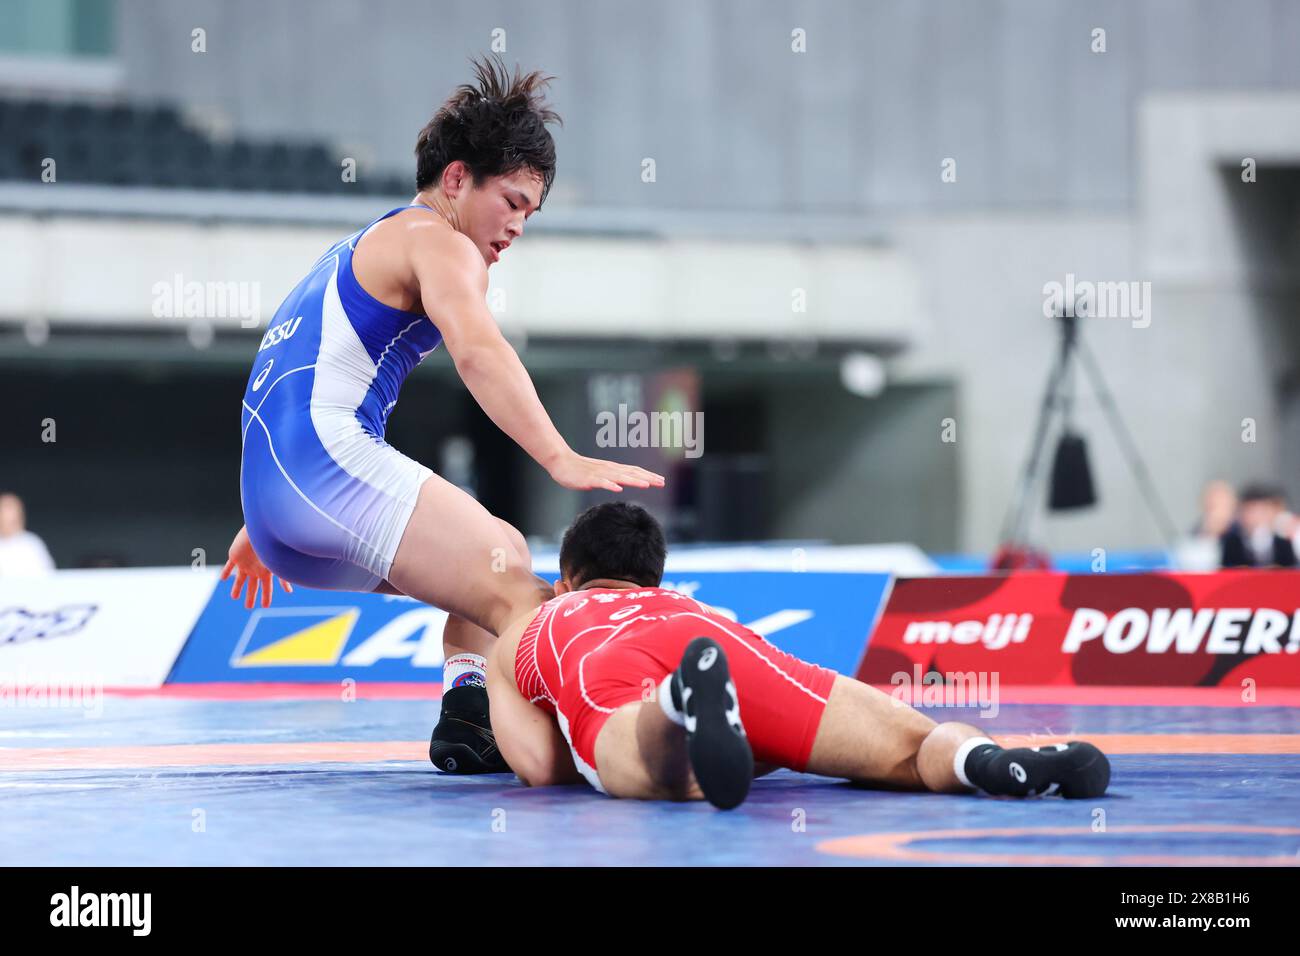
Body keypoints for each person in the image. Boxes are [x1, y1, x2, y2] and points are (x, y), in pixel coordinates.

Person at [221, 55, 663, 774]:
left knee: (490, 555)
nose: (519, 226)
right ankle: (604, 746)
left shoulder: (359, 248)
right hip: (316, 476)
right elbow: (480, 352)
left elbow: (294, 377)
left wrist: (261, 518)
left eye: (531, 212)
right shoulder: (440, 241)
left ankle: (470, 720)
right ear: (457, 179)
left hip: (282, 508)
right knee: (512, 577)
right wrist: (561, 456)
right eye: (513, 201)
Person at [486, 502, 1111, 809]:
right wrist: (764, 745)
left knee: (637, 764)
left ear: (566, 578)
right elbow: (764, 744)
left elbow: (543, 767)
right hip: (732, 648)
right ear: (652, 576)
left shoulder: (542, 620)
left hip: (612, 664)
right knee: (913, 750)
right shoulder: (688, 605)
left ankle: (676, 708)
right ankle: (988, 761)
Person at [1220, 483, 1298, 568]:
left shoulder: (1283, 542)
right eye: (1251, 512)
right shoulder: (1232, 542)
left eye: (1262, 512)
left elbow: (1291, 570)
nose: (1256, 518)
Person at [0, 493, 55, 578]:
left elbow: (48, 577)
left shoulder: (31, 544)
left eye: (10, 508)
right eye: (4, 508)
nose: (6, 513)